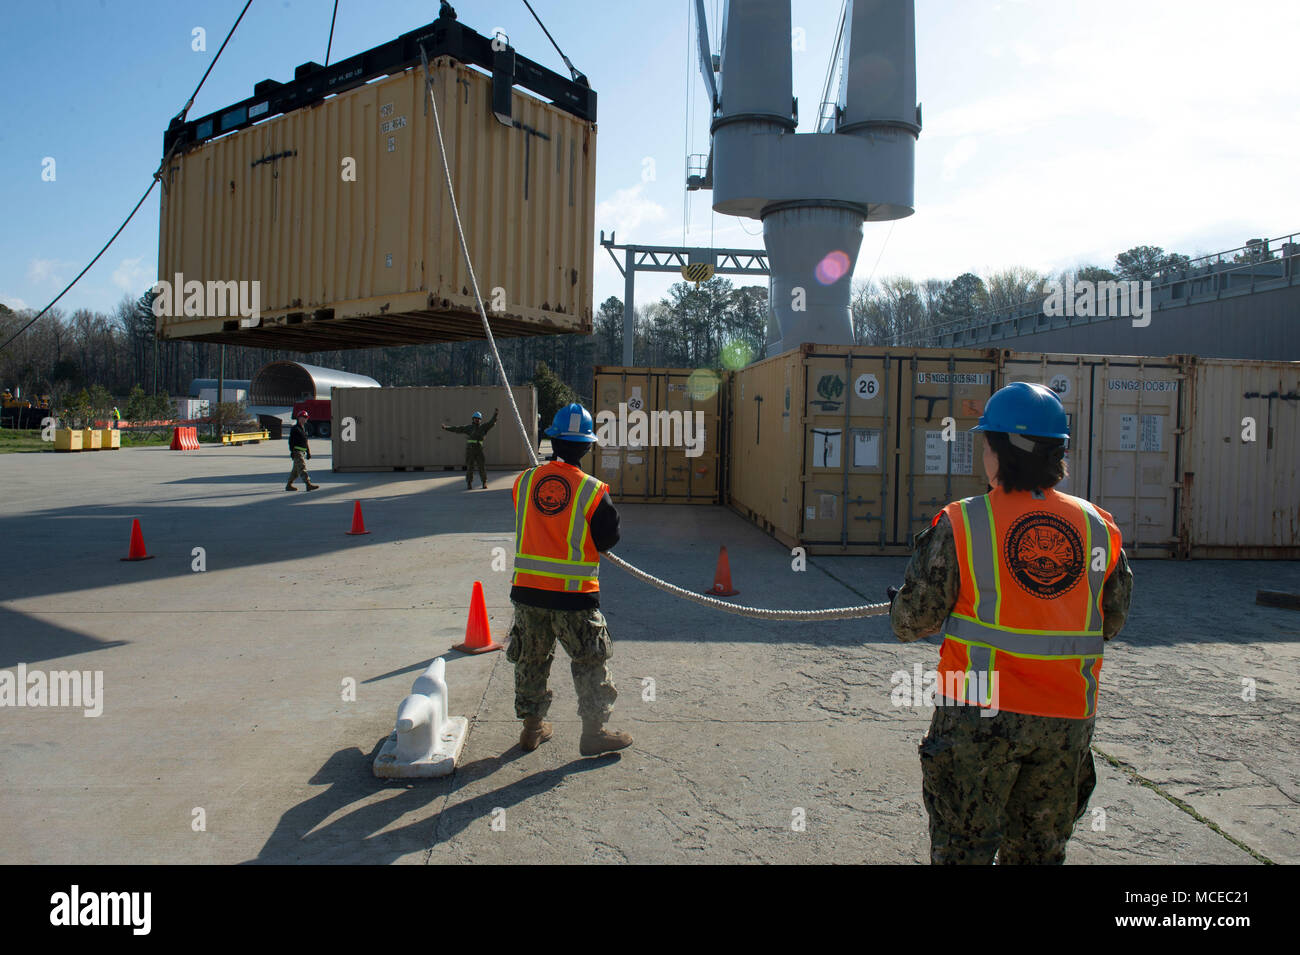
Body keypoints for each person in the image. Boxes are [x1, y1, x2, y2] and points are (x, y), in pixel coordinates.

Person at [890, 381, 1133, 865]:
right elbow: (1113, 621)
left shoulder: (964, 522)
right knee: (1038, 853)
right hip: (1064, 722)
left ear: (999, 450)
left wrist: (904, 605)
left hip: (979, 715)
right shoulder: (1097, 526)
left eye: (986, 443)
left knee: (963, 849)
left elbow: (913, 620)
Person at [507, 402, 633, 757]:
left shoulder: (525, 481)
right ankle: (594, 733)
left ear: (553, 440)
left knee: (531, 659)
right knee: (590, 661)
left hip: (528, 593)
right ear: (588, 446)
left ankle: (532, 729)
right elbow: (608, 539)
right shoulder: (593, 491)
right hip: (573, 597)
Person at [442, 409, 498, 489]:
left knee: (481, 467)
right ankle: (469, 483)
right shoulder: (469, 428)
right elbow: (457, 429)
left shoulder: (484, 427)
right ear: (473, 419)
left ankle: (484, 483)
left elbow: (491, 423)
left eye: (478, 419)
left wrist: (495, 415)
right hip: (470, 450)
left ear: (480, 420)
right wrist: (446, 428)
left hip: (479, 450)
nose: (477, 420)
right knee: (470, 467)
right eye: (475, 418)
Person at [285, 409, 318, 492]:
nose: (305, 419)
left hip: (302, 452)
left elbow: (305, 441)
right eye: (303, 417)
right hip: (297, 452)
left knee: (295, 471)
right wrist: (292, 451)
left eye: (306, 417)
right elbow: (291, 441)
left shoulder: (304, 429)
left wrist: (308, 452)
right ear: (299, 418)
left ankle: (289, 485)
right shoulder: (295, 429)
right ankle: (308, 484)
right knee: (302, 468)